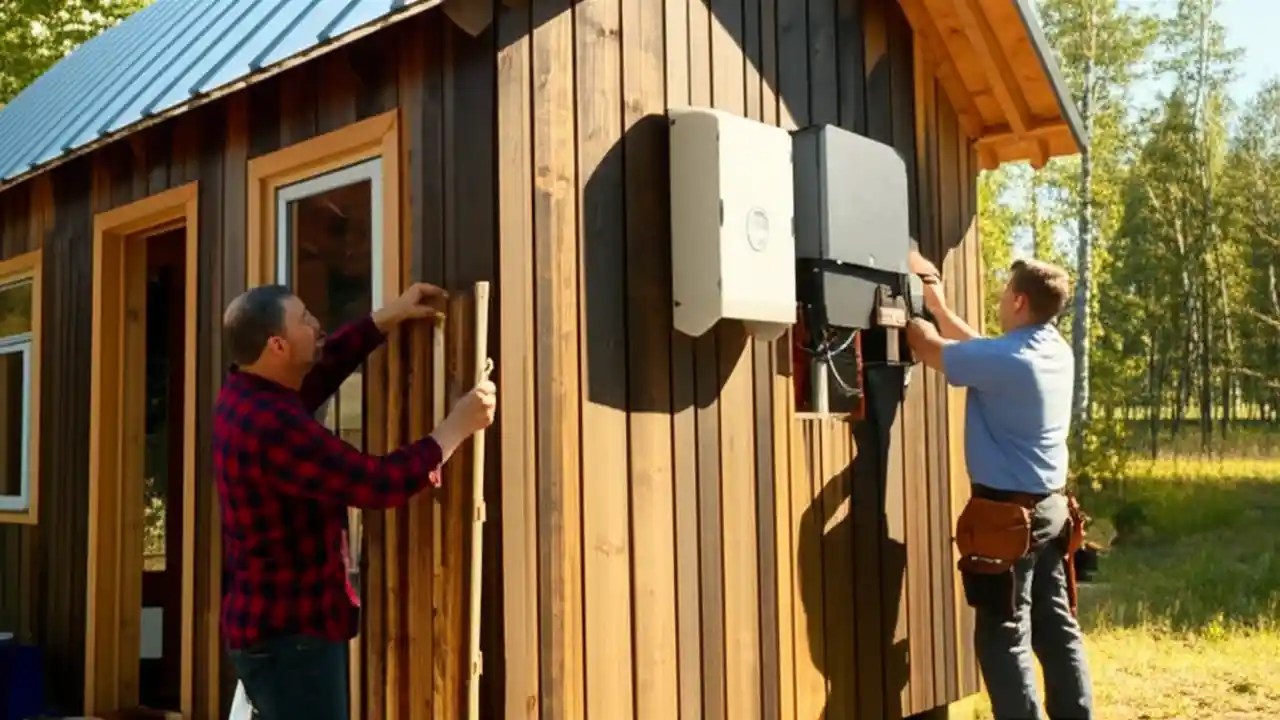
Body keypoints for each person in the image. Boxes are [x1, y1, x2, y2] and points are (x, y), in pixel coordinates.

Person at [214, 283, 496, 720]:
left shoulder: (248, 394)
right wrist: (454, 429)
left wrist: (388, 317)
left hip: (273, 630)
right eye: (305, 319)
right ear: (277, 345)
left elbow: (322, 366)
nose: (316, 324)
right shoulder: (274, 426)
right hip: (292, 638)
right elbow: (374, 484)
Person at [905, 258, 1093, 720]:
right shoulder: (1051, 352)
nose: (1001, 299)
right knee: (1055, 628)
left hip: (1008, 521)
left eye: (1006, 292)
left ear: (1020, 300)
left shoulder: (1008, 361)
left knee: (1002, 635)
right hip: (1050, 512)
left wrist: (902, 300)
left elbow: (928, 347)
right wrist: (940, 304)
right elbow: (983, 349)